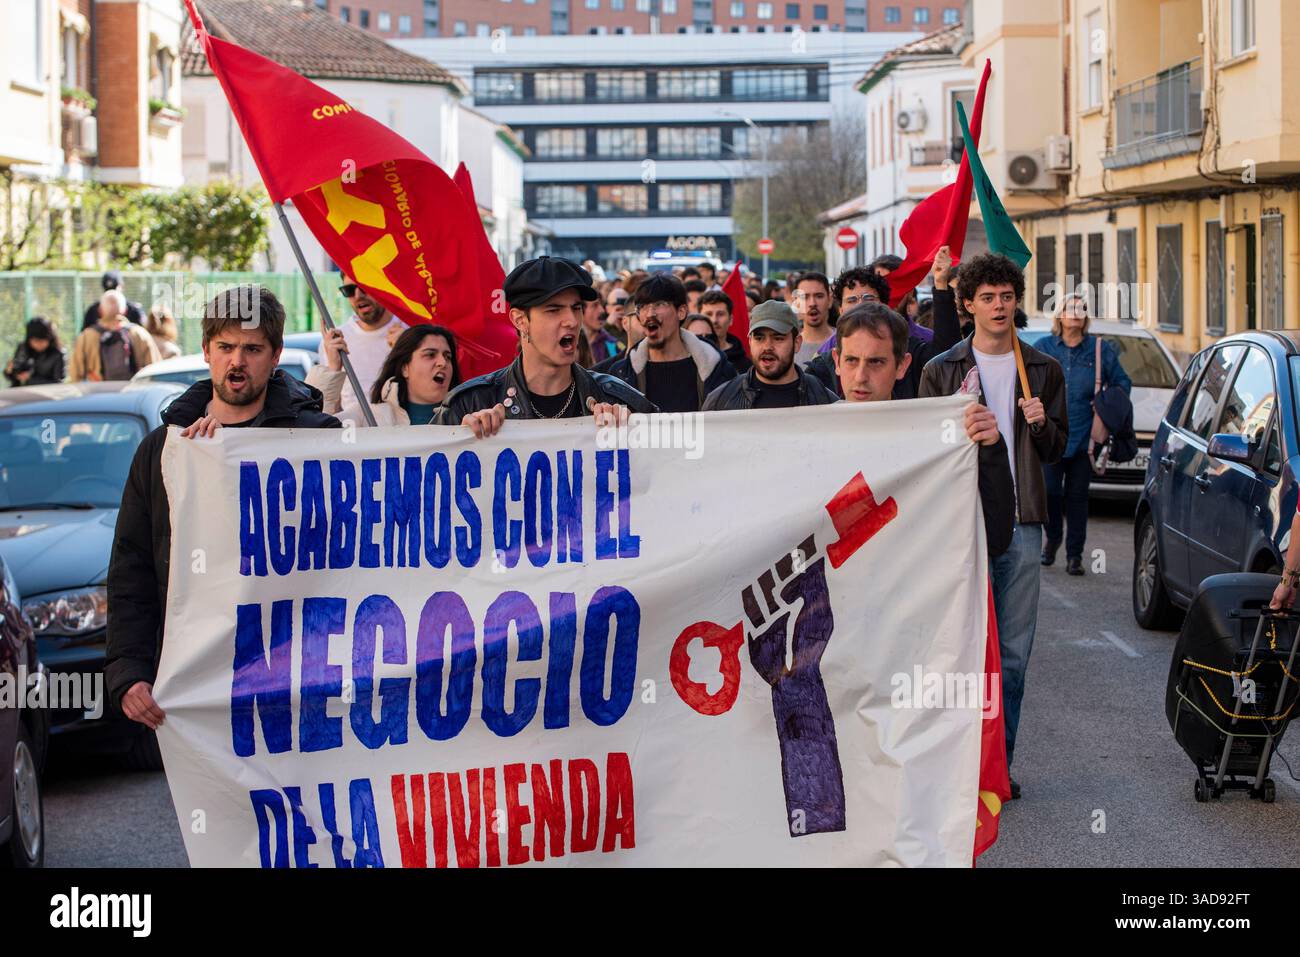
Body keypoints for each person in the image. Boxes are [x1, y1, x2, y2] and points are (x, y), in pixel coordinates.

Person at [106, 287, 342, 733]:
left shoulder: (317, 442)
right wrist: (128, 671)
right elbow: (131, 569)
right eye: (226, 347)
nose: (237, 361)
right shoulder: (166, 452)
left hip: (303, 678)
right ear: (206, 352)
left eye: (252, 349)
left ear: (275, 357)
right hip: (200, 688)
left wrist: (466, 433)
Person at [919, 253, 1067, 796]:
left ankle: (996, 768)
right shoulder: (943, 370)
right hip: (961, 520)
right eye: (987, 297)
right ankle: (953, 764)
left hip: (1024, 520)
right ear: (968, 305)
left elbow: (1056, 450)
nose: (999, 305)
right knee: (955, 650)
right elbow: (923, 449)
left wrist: (1041, 423)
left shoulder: (1043, 369)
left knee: (1012, 654)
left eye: (1007, 296)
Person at [836, 302, 1015, 559]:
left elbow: (995, 537)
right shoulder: (806, 441)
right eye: (852, 360)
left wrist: (991, 452)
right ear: (836, 361)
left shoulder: (935, 440)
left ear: (902, 366)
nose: (861, 376)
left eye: (876, 362)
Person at [437, 256, 655, 433]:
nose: (571, 321)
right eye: (554, 310)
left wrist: (635, 431)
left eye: (576, 308)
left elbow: (669, 465)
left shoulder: (618, 399)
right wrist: (461, 440)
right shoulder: (470, 403)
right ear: (520, 320)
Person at [1036, 292, 1130, 575]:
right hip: (1051, 437)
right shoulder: (1044, 348)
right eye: (1069, 308)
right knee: (1051, 493)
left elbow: (1123, 384)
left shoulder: (1100, 350)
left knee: (1077, 498)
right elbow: (1026, 381)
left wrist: (1105, 402)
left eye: (1080, 308)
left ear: (1085, 317)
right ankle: (1052, 540)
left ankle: (1074, 556)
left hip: (1085, 440)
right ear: (1060, 316)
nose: (1075, 313)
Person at [605, 272, 736, 413]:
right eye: (643, 306)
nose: (650, 314)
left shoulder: (718, 372)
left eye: (659, 304)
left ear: (681, 312)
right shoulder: (621, 376)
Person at [309, 323, 461, 425]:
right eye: (430, 355)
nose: (443, 362)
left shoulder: (467, 420)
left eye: (448, 357)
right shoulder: (367, 418)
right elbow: (311, 433)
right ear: (404, 368)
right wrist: (333, 368)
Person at [702, 300, 838, 411]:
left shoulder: (824, 400)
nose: (767, 347)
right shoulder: (721, 400)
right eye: (759, 338)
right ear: (750, 342)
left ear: (797, 343)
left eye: (778, 338)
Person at [319, 276, 406, 413]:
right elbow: (329, 413)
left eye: (364, 286)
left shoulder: (408, 332)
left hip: (401, 430)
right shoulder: (335, 342)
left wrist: (408, 352)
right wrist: (333, 369)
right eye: (349, 290)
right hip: (353, 431)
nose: (358, 295)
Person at [69, 289, 160, 381]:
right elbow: (156, 370)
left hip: (97, 393)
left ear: (100, 311)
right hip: (133, 393)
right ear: (125, 311)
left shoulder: (86, 337)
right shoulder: (140, 334)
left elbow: (75, 375)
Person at [698, 289, 751, 373]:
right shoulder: (688, 356)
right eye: (708, 314)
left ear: (731, 319)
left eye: (720, 314)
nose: (714, 320)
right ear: (698, 318)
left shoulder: (746, 366)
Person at [4, 317, 65, 386]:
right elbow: (13, 376)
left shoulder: (58, 353)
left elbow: (58, 382)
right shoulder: (24, 348)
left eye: (42, 341)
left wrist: (30, 378)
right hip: (21, 392)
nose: (39, 344)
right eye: (35, 341)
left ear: (50, 339)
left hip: (45, 393)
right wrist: (10, 371)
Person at [791, 272, 834, 367]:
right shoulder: (789, 347)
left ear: (830, 300)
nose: (812, 303)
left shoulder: (844, 341)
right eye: (805, 297)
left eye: (819, 296)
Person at [582, 295, 621, 364]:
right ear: (580, 311)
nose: (602, 310)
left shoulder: (613, 345)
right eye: (595, 306)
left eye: (601, 305)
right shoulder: (570, 346)